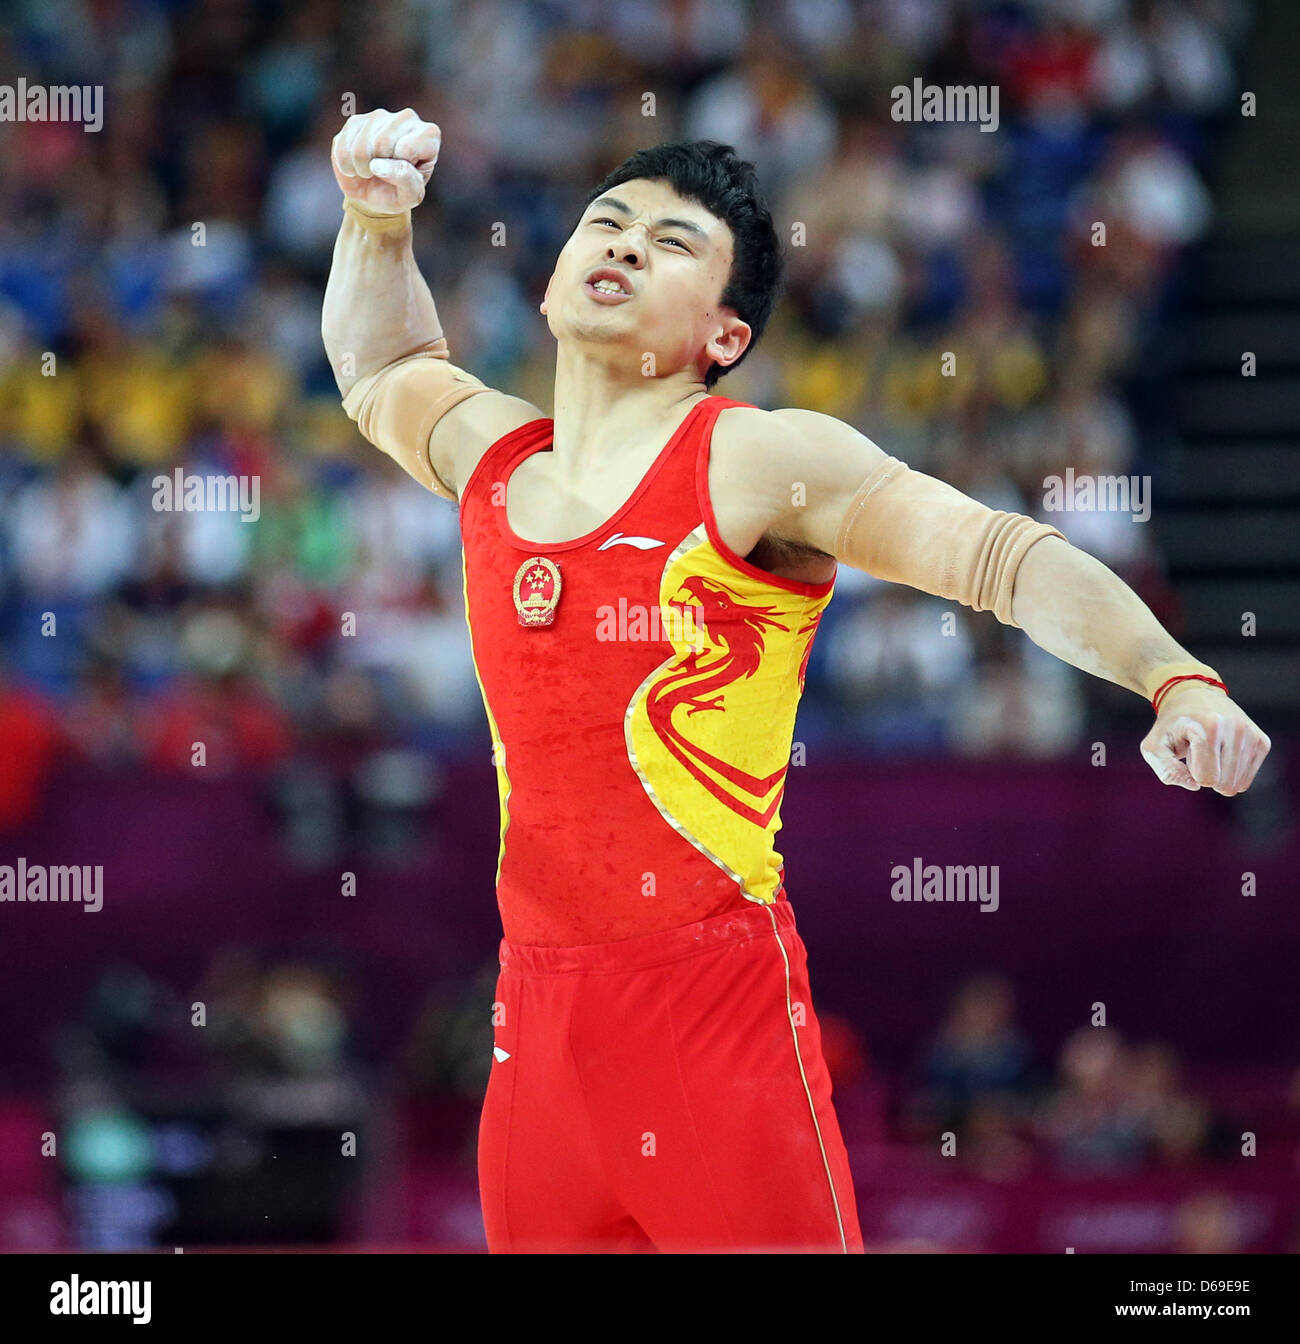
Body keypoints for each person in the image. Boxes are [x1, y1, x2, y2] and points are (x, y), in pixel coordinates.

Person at [321, 108, 1271, 1254]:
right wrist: (375, 222)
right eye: (606, 223)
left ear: (724, 336)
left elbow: (999, 558)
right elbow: (381, 366)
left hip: (712, 1025)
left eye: (670, 244)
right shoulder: (492, 456)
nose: (621, 245)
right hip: (535, 1036)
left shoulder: (754, 460)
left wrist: (1175, 677)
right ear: (555, 271)